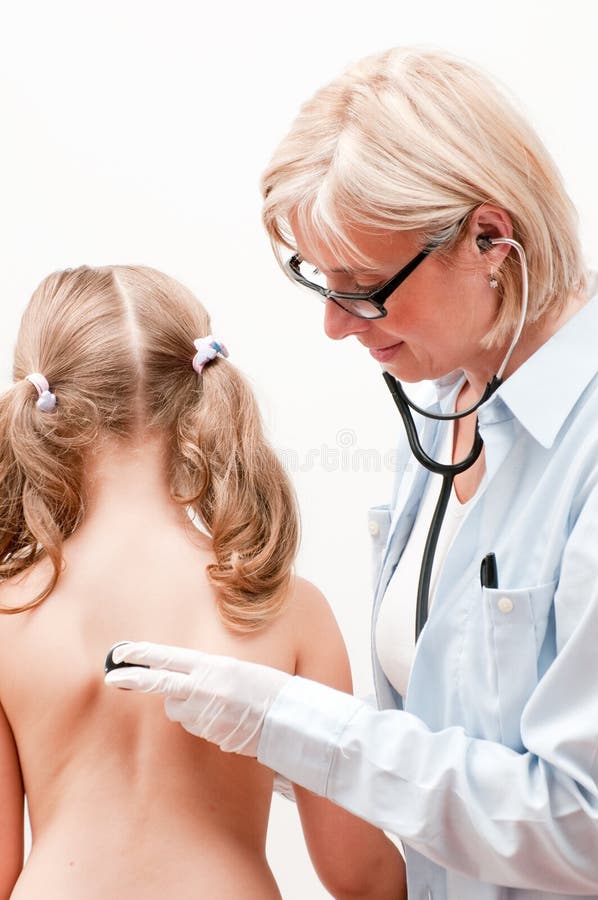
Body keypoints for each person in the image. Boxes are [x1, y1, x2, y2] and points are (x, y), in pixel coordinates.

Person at [106, 48, 598, 899]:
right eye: (319, 283)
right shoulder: (452, 404)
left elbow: (578, 824)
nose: (336, 326)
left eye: (365, 287)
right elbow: (440, 739)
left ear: (489, 237)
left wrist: (294, 724)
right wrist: (260, 724)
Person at [0, 264, 406, 899]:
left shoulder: (8, 614)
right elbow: (359, 875)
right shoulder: (285, 607)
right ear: (195, 389)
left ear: (42, 399)